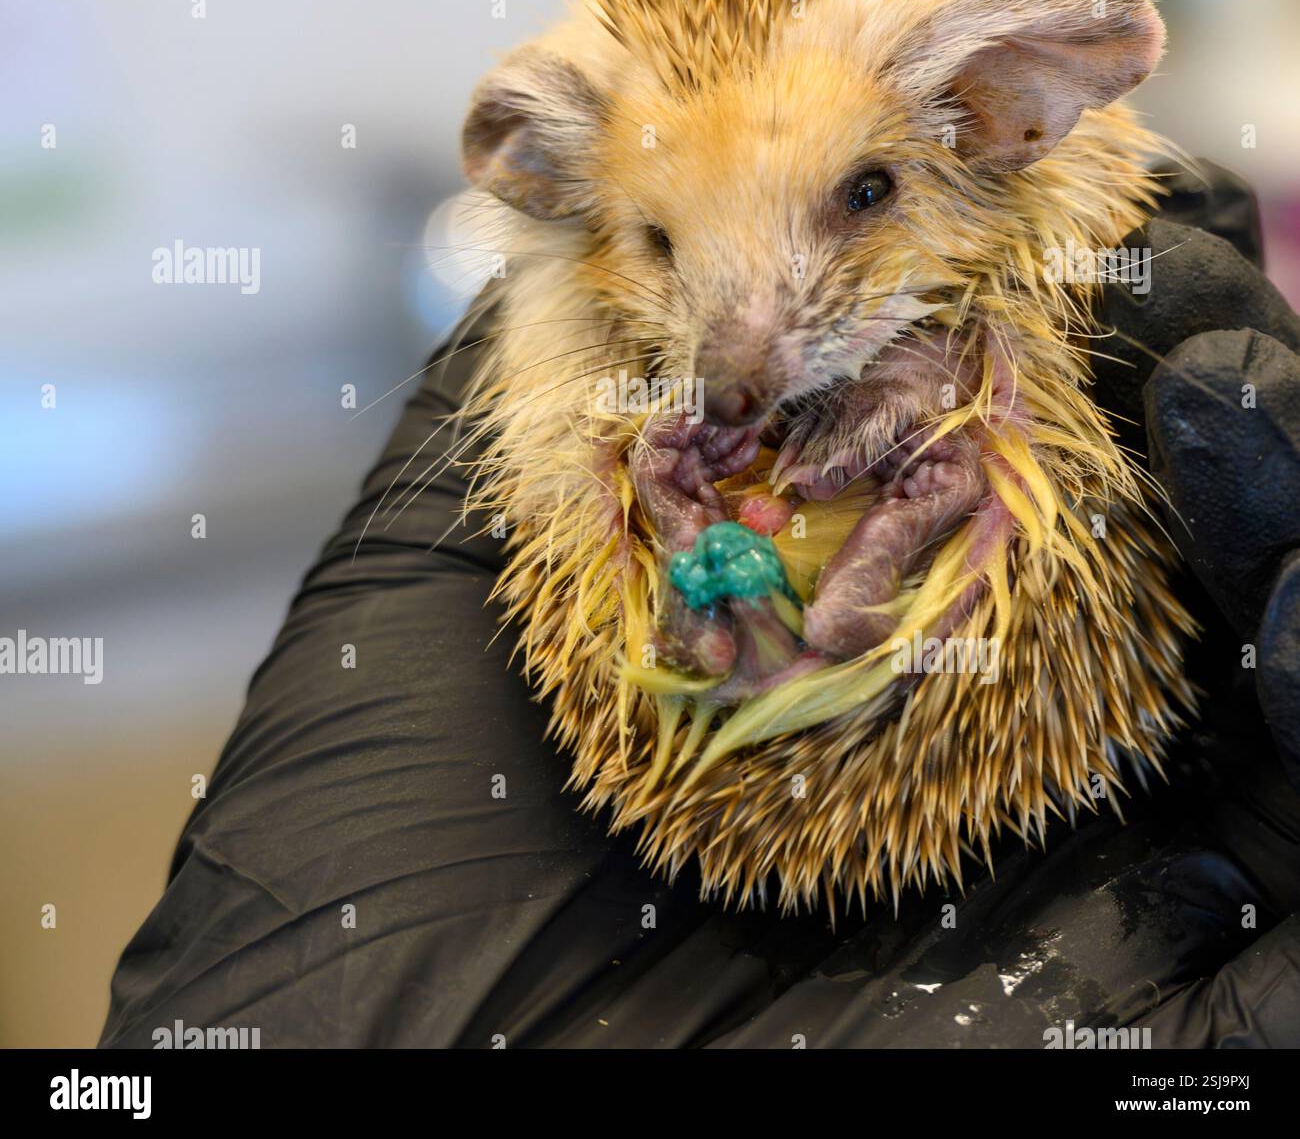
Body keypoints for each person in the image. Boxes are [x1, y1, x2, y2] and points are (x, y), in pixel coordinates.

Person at [101, 161, 1300, 1049]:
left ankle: (804, 606)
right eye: (677, 236)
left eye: (859, 193)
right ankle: (782, 615)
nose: (753, 340)